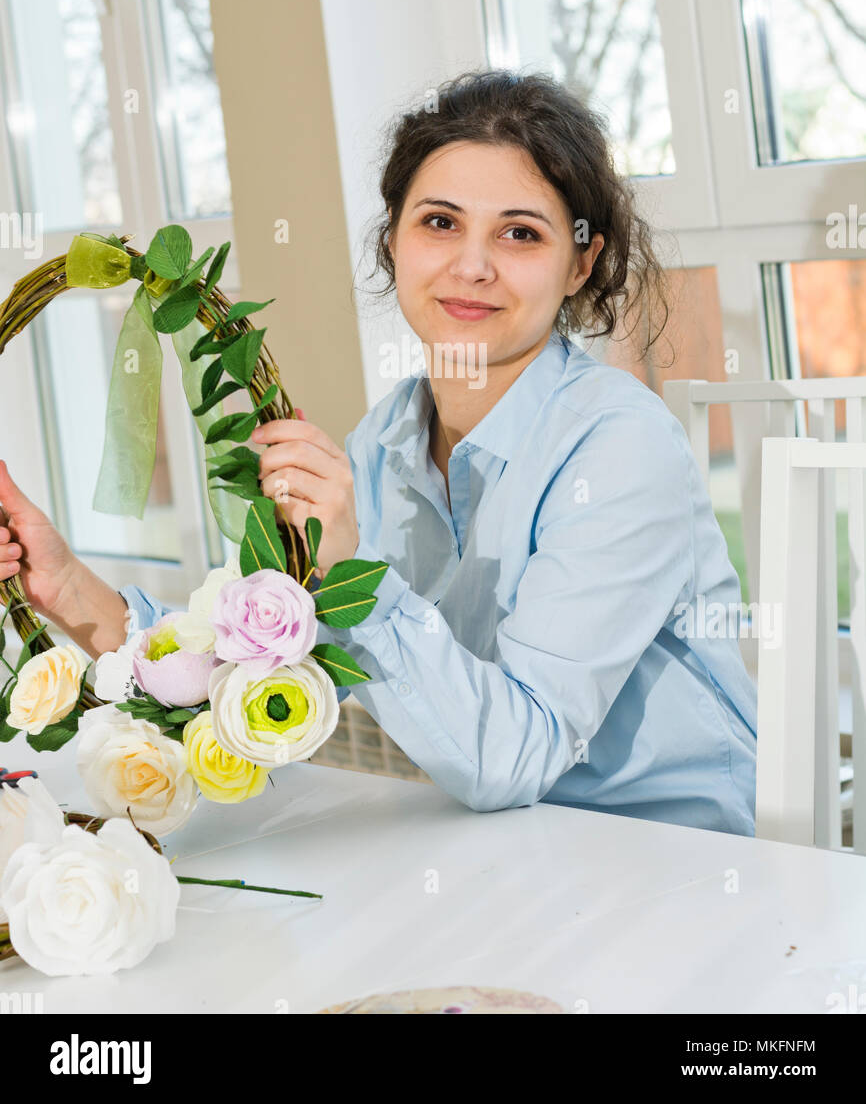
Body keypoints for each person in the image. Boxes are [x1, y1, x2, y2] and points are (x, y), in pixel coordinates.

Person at [0, 70, 758, 834]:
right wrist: (63, 584)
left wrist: (351, 569)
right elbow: (225, 663)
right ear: (392, 240)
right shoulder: (385, 442)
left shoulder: (620, 447)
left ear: (581, 264)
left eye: (521, 233)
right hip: (503, 845)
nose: (472, 265)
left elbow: (516, 757)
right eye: (439, 223)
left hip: (668, 856)